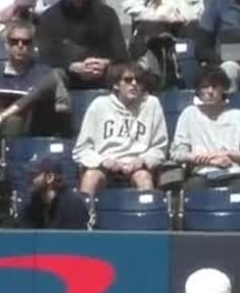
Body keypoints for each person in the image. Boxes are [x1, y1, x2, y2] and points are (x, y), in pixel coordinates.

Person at [0, 18, 69, 142]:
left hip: (36, 137)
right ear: (6, 45)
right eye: (14, 41)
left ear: (33, 46)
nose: (20, 46)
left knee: (15, 121)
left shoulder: (46, 74)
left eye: (26, 42)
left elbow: (64, 108)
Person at [72, 62, 168, 195]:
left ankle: (147, 208)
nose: (134, 84)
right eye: (128, 80)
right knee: (90, 177)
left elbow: (159, 148)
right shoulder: (99, 105)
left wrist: (142, 161)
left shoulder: (152, 104)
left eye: (138, 80)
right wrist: (102, 162)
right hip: (104, 165)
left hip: (137, 166)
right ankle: (83, 209)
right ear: (116, 84)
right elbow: (81, 149)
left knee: (144, 178)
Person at [35, 0, 128, 92]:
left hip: (103, 77)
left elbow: (121, 55)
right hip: (67, 79)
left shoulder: (107, 14)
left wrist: (105, 64)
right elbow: (45, 57)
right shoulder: (49, 18)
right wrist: (71, 66)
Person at [169, 67, 240, 192]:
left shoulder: (239, 116)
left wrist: (228, 154)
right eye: (205, 87)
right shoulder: (189, 114)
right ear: (198, 90)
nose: (210, 91)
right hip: (202, 174)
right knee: (192, 189)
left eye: (214, 86)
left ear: (223, 88)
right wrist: (208, 160)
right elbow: (177, 153)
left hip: (235, 174)